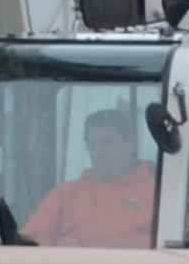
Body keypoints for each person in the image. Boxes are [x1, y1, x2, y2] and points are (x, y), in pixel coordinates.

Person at [22, 103, 161, 248]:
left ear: (131, 144)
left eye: (106, 142)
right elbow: (32, 239)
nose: (99, 151)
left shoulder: (159, 196)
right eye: (92, 145)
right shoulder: (66, 195)